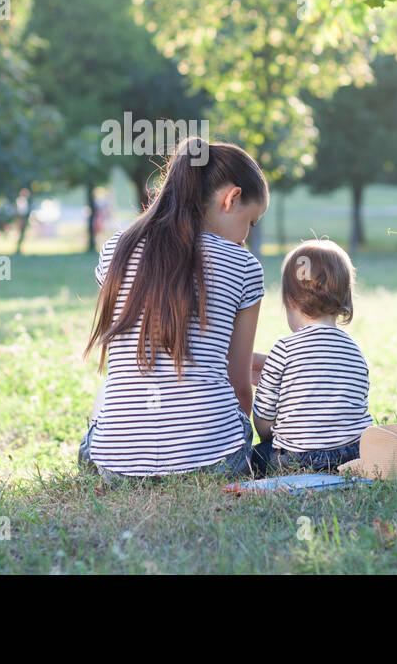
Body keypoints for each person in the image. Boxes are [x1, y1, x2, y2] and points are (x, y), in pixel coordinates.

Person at [78, 137, 268, 483]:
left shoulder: (115, 250)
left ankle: (109, 443)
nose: (246, 238)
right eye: (250, 222)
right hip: (212, 462)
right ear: (232, 198)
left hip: (117, 467)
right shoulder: (243, 265)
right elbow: (241, 386)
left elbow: (160, 344)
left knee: (109, 393)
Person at [250, 239, 373, 476]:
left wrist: (270, 435)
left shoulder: (283, 349)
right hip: (352, 454)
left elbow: (263, 420)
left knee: (254, 455)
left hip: (297, 459)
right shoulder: (355, 351)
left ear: (291, 301)